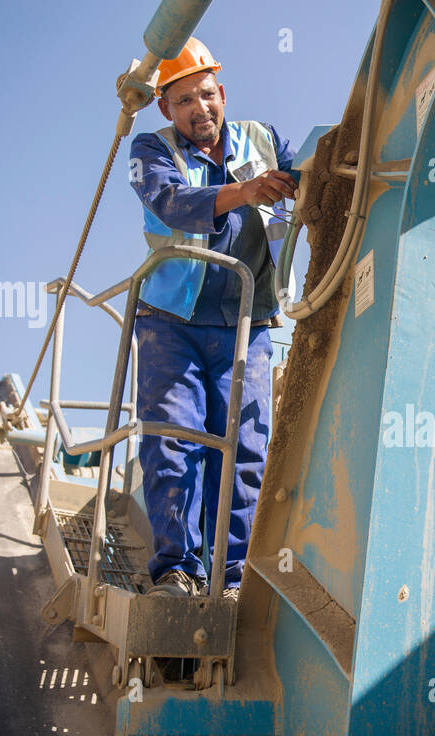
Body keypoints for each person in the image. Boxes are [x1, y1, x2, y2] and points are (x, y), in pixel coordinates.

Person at [128, 36, 298, 598]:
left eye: (206, 95)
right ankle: (177, 569)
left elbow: (316, 178)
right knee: (175, 437)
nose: (199, 109)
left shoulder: (264, 140)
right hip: (170, 322)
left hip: (247, 324)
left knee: (246, 449)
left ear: (221, 92)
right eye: (183, 102)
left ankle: (232, 579)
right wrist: (245, 191)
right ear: (165, 110)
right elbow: (173, 204)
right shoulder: (151, 151)